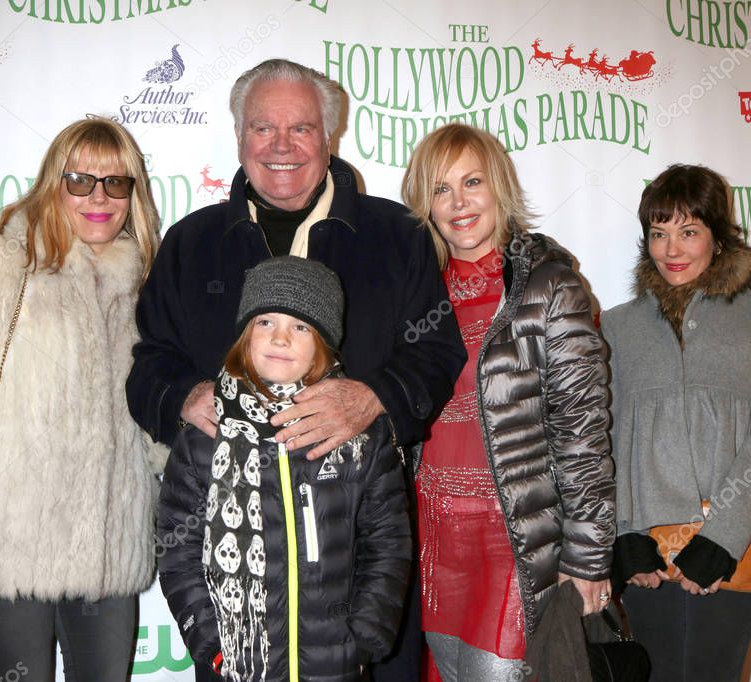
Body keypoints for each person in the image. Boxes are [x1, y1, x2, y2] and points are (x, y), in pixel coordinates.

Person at [127, 58, 464, 681]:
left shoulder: (397, 234)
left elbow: (437, 352)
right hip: (238, 596)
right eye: (263, 128)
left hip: (358, 564)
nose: (281, 146)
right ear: (238, 137)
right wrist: (183, 395)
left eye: (301, 128)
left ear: (329, 137)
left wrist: (372, 398)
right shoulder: (189, 242)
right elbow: (148, 363)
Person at [0, 118, 165, 681]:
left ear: (133, 194)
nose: (99, 197)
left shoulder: (141, 286)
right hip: (5, 542)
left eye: (116, 183)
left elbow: (150, 416)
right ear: (53, 183)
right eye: (80, 180)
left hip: (107, 547)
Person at [400, 123, 615, 680]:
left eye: (472, 181)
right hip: (432, 543)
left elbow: (582, 432)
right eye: (440, 189)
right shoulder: (418, 294)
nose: (459, 202)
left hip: (514, 547)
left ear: (499, 186)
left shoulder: (549, 288)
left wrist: (588, 559)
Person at [603, 164, 751, 682]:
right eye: (659, 233)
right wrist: (625, 533)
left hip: (737, 538)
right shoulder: (616, 325)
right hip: (647, 553)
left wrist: (721, 539)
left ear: (718, 238)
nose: (671, 249)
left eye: (689, 231)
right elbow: (604, 440)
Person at [157, 256, 411, 682]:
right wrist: (211, 643)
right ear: (245, 335)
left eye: (300, 327)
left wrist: (365, 638)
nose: (280, 338)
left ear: (323, 344)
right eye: (265, 322)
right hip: (239, 665)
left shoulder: (358, 437)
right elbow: (177, 549)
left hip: (336, 666)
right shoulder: (205, 437)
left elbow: (388, 542)